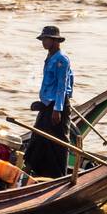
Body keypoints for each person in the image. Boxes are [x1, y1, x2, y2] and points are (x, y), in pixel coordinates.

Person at [25, 24, 73, 179]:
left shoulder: (61, 59)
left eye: (46, 39)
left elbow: (62, 86)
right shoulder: (50, 57)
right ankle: (38, 171)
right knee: (38, 137)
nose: (44, 42)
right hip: (48, 105)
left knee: (58, 142)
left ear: (55, 41)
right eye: (43, 39)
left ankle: (59, 175)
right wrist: (42, 103)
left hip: (57, 106)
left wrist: (58, 109)